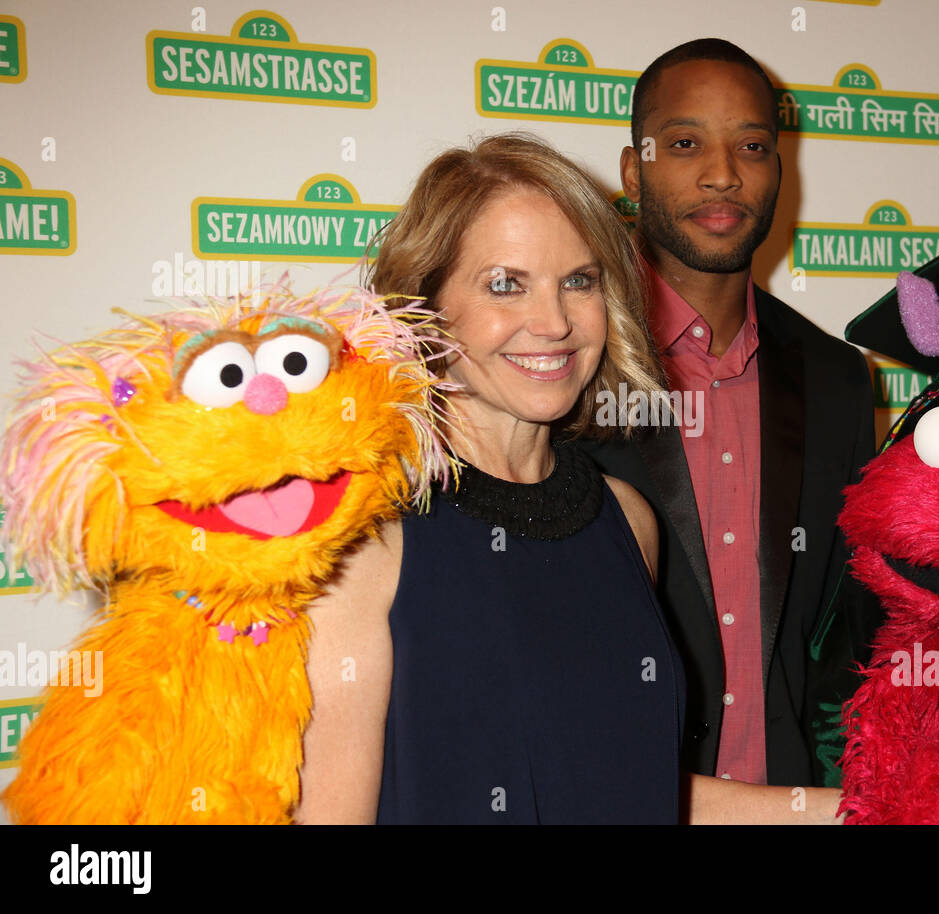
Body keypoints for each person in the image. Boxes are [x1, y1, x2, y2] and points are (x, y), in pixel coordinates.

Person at [296, 133, 843, 823]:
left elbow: (628, 788)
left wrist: (882, 812)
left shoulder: (628, 521)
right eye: (506, 284)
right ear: (423, 308)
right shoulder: (365, 538)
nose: (553, 323)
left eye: (579, 282)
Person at [582, 39, 879, 788]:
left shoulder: (838, 379)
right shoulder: (565, 360)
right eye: (685, 144)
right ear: (632, 170)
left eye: (752, 146)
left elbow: (852, 629)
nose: (723, 174)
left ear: (780, 170)